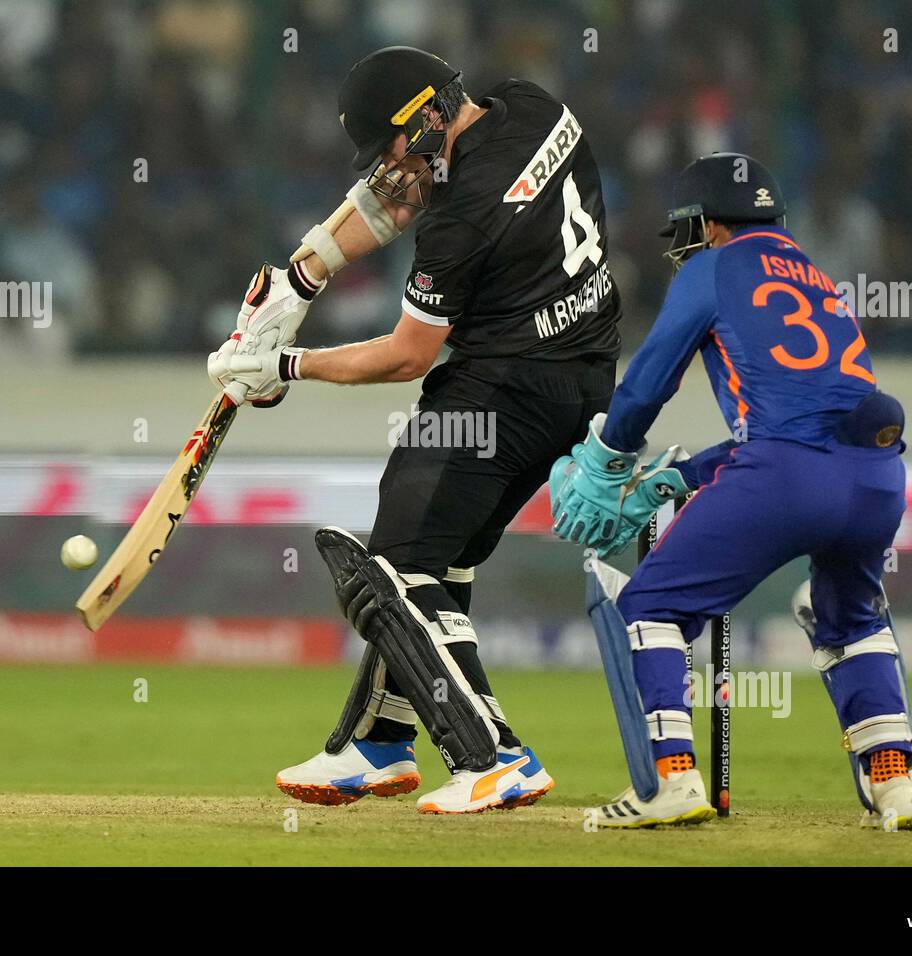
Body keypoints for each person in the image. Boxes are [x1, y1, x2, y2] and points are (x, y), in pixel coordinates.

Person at [210, 47, 621, 813]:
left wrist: (286, 367)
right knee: (439, 551)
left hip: (504, 389)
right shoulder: (532, 106)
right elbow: (395, 197)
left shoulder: (462, 219)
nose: (388, 166)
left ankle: (495, 755)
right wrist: (300, 280)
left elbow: (406, 356)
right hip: (586, 371)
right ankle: (379, 740)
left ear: (429, 113)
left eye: (391, 146)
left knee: (396, 562)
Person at [550, 153, 912, 830]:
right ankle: (895, 784)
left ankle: (673, 779)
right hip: (876, 477)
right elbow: (810, 424)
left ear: (711, 224)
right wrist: (678, 478)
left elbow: (649, 380)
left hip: (786, 477)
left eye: (688, 231)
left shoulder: (714, 267)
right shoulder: (816, 279)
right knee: (852, 622)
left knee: (653, 605)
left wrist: (610, 457)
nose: (682, 247)